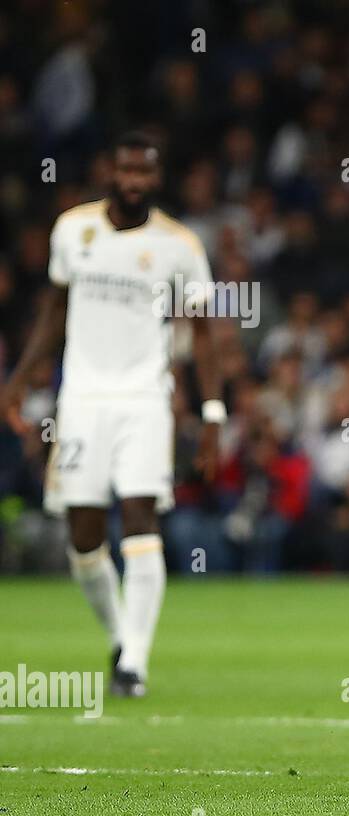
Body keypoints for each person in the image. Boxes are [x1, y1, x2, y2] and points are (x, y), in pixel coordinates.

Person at [1, 131, 223, 697]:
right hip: (80, 401)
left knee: (140, 514)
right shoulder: (73, 229)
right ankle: (122, 635)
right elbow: (55, 310)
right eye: (126, 171)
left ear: (157, 177)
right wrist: (19, 380)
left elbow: (203, 334)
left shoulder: (179, 245)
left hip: (145, 398)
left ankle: (135, 664)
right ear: (111, 171)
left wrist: (213, 414)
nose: (134, 182)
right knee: (83, 535)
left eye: (145, 173)